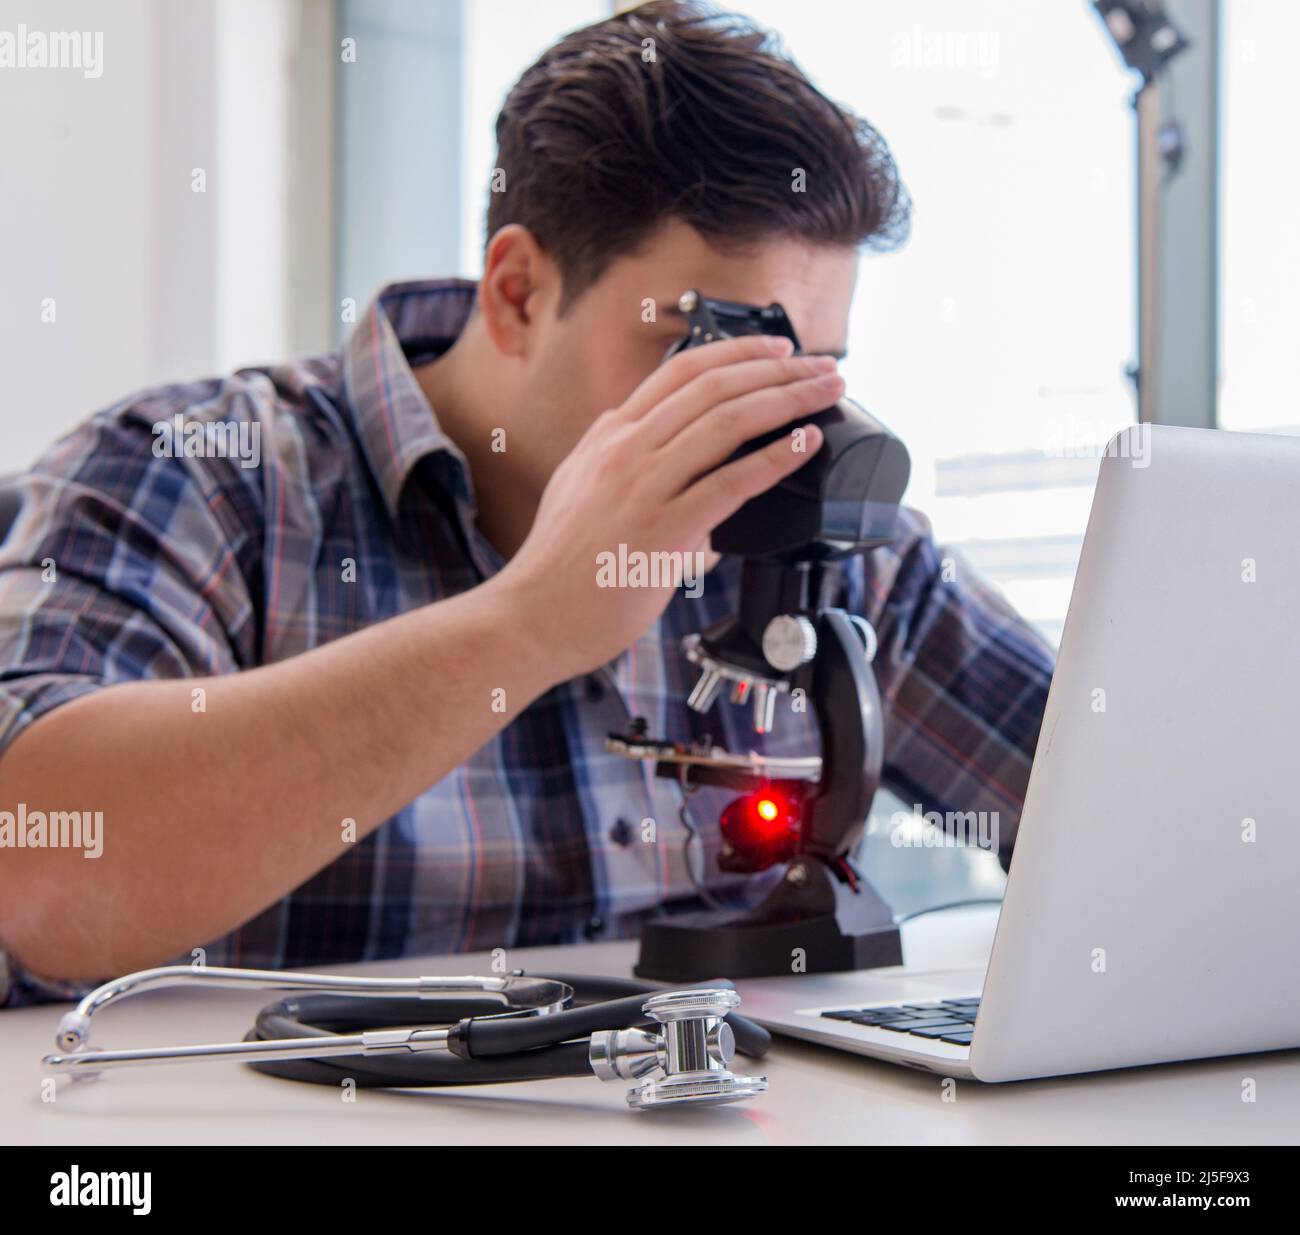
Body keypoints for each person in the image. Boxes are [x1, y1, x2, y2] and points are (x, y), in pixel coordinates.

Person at [0, 1, 1053, 1007]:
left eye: (807, 372)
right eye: (713, 356)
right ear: (517, 293)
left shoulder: (821, 533)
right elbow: (37, 869)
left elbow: (1114, 821)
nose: (765, 429)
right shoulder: (202, 474)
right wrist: (532, 621)